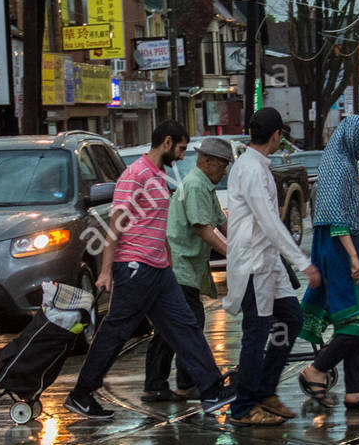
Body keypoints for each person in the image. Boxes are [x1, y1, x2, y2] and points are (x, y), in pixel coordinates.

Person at [64, 121, 234, 420]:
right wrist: (106, 272)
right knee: (115, 332)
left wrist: (166, 261)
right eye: (181, 149)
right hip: (134, 269)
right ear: (166, 142)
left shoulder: (158, 175)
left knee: (185, 327)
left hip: (159, 270)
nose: (182, 156)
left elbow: (158, 229)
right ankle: (82, 393)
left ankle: (212, 391)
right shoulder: (135, 175)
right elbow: (114, 227)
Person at [223, 107, 322, 426]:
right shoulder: (251, 169)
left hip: (267, 264)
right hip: (253, 264)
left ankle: (265, 390)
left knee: (291, 318)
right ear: (277, 134)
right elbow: (269, 222)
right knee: (256, 332)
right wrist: (303, 262)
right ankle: (242, 406)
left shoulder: (257, 166)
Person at [298, 116, 359, 412]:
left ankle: (357, 390)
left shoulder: (342, 163)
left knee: (355, 318)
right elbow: (338, 220)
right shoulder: (339, 167)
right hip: (339, 253)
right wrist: (352, 257)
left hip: (339, 250)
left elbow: (344, 208)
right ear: (353, 139)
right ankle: (317, 368)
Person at [142, 137, 232, 402]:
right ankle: (183, 383)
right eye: (221, 165)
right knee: (188, 326)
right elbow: (203, 229)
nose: (224, 171)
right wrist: (233, 254)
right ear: (205, 162)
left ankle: (159, 384)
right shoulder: (194, 186)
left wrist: (242, 245)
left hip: (186, 268)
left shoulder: (203, 186)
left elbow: (220, 222)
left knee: (171, 329)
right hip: (178, 267)